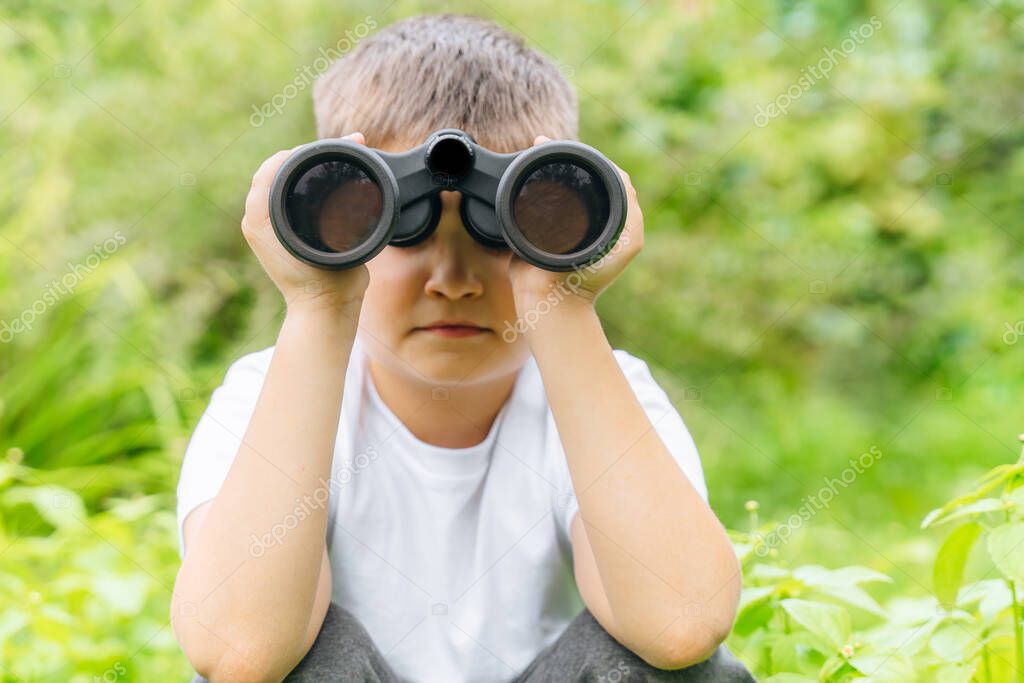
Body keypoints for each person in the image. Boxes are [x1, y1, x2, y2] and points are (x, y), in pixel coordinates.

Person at [171, 13, 753, 683]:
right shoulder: (270, 393)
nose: (452, 280)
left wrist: (561, 306)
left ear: (561, 230)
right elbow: (239, 649)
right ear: (330, 227)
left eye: (500, 231)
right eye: (403, 229)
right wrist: (321, 306)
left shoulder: (606, 392)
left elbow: (680, 624)